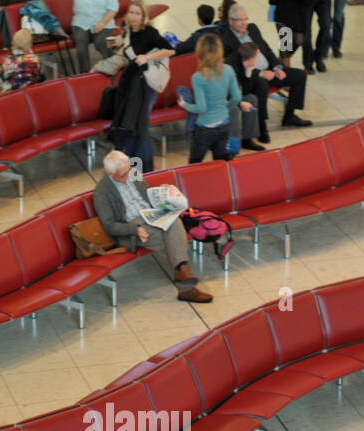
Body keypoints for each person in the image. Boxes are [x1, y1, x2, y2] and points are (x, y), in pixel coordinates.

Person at [94, 150, 213, 303]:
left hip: (150, 215)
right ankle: (185, 282)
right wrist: (134, 230)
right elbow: (110, 226)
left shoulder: (132, 173)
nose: (129, 176)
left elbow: (145, 194)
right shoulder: (102, 192)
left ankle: (183, 274)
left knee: (174, 221)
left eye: (129, 171)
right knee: (172, 242)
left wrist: (161, 194)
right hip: (132, 226)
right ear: (111, 174)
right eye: (123, 175)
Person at [100, 0, 175, 175]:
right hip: (132, 85)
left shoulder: (149, 32)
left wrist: (147, 57)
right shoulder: (128, 32)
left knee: (141, 128)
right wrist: (118, 45)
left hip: (145, 86)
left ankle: (146, 170)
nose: (133, 17)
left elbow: (170, 50)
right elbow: (128, 52)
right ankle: (135, 167)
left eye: (137, 14)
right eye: (131, 13)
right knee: (132, 127)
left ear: (144, 16)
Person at [220, 3, 311, 143]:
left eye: (245, 18)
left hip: (270, 70)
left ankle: (289, 116)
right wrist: (261, 73)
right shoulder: (226, 39)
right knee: (261, 85)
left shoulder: (253, 29)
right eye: (239, 20)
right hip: (249, 77)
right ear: (230, 21)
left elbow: (266, 49)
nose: (244, 23)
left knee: (299, 75)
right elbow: (236, 67)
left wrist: (277, 66)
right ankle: (261, 128)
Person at [178, 34, 253, 163]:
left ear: (200, 53)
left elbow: (201, 108)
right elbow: (236, 97)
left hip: (205, 129)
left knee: (193, 165)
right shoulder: (228, 70)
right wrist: (225, 106)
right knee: (220, 164)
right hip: (224, 125)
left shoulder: (198, 77)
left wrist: (184, 105)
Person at [223, 42, 268, 151]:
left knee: (252, 99)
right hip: (222, 98)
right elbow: (225, 92)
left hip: (234, 95)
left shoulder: (245, 62)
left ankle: (247, 140)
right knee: (233, 109)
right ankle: (231, 146)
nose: (257, 60)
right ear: (251, 58)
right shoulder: (230, 66)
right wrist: (240, 103)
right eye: (256, 57)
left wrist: (248, 72)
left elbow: (246, 91)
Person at [71, 0, 119, 71]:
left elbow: (113, 9)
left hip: (105, 23)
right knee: (81, 47)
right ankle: (84, 75)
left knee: (103, 42)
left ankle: (116, 65)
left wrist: (102, 23)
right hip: (81, 22)